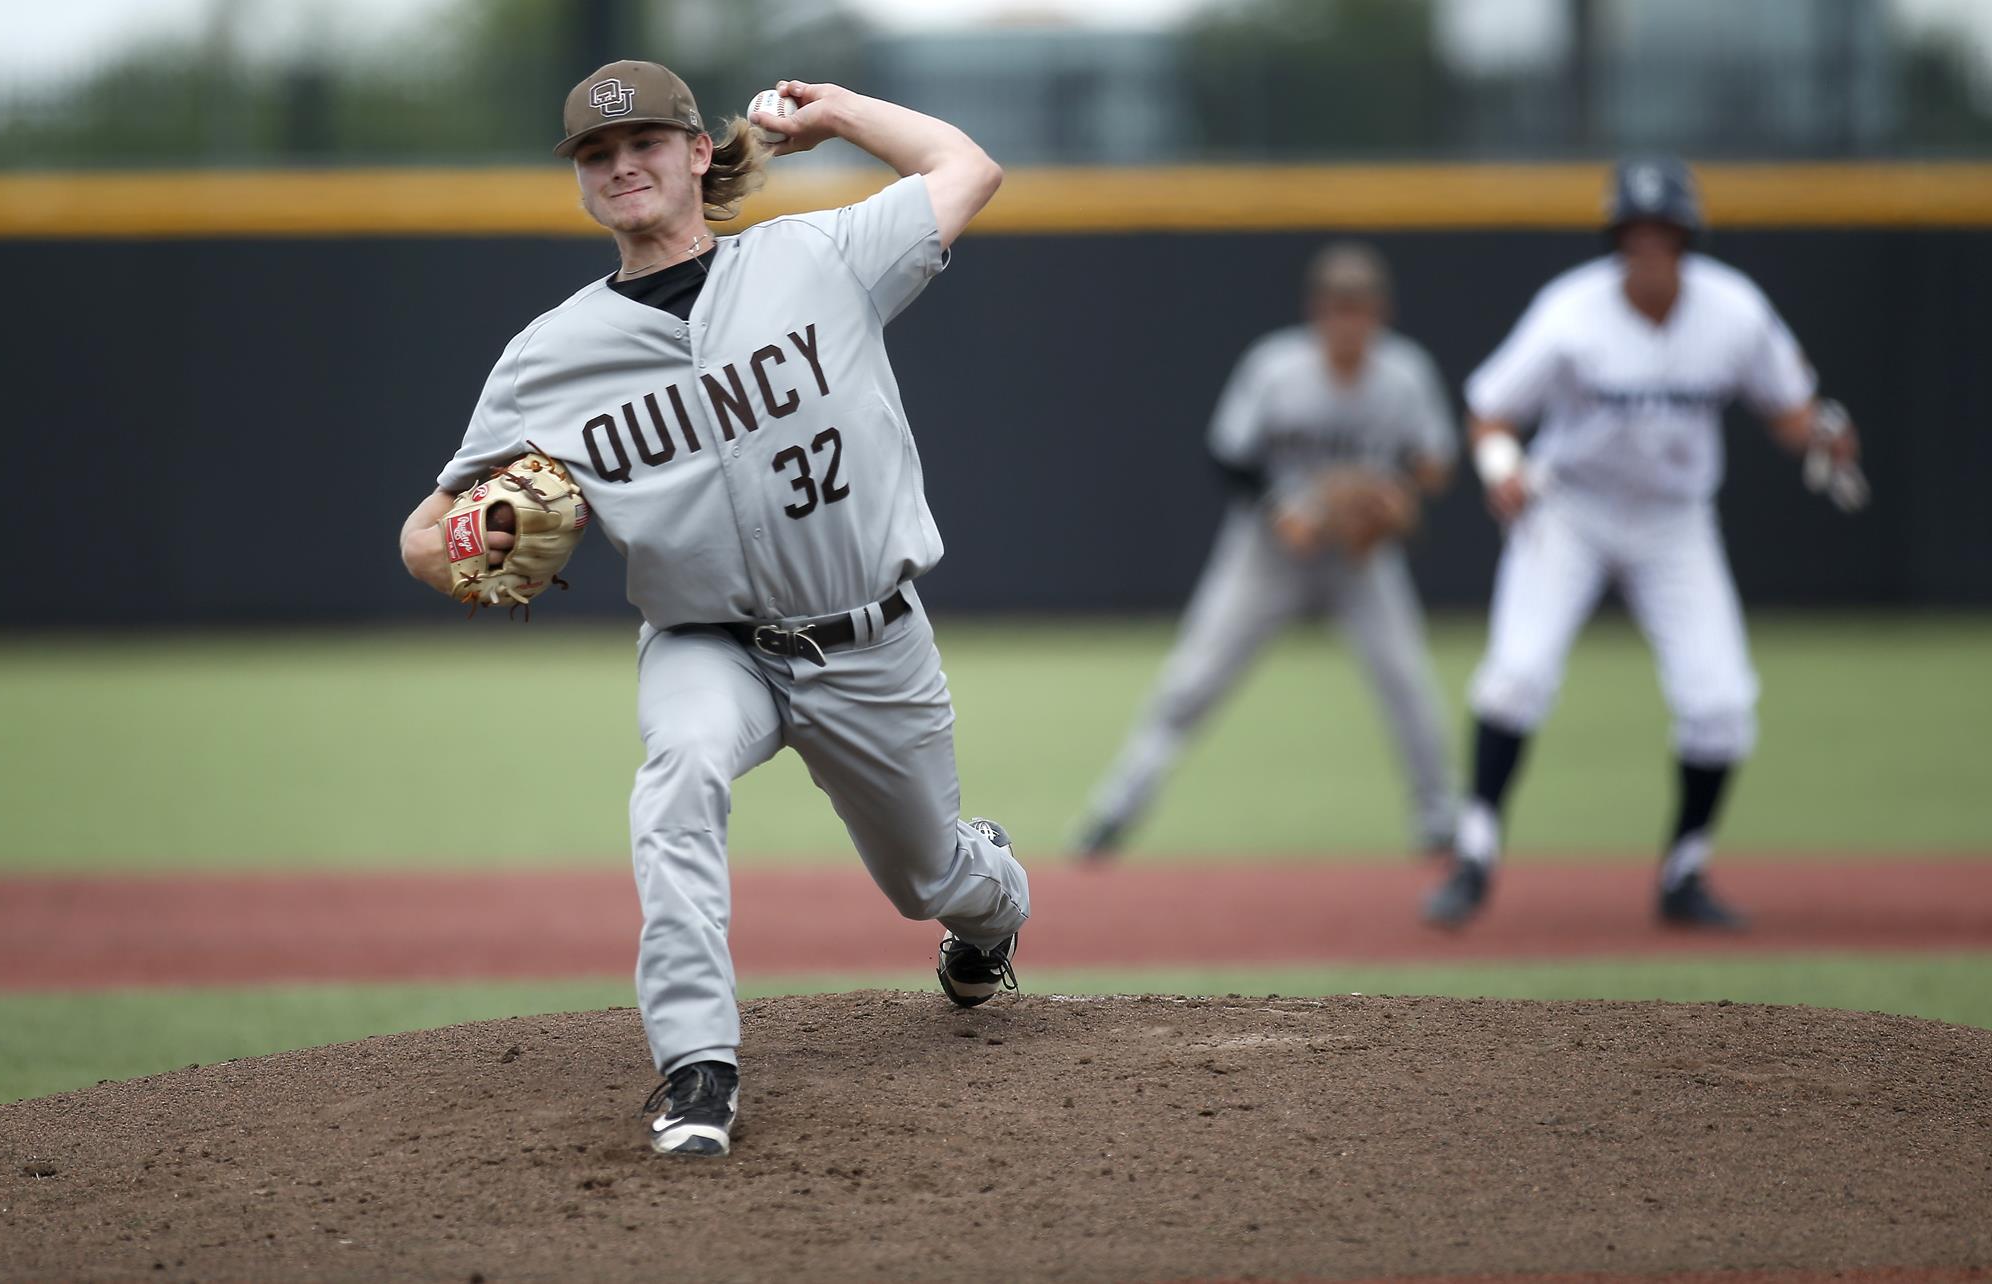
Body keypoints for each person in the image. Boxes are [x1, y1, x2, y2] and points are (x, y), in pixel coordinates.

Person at [397, 62, 1031, 1158]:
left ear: (698, 153)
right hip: (705, 644)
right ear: (583, 183)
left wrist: (837, 115)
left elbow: (964, 167)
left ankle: (993, 900)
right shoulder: (548, 356)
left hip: (866, 637)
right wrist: (468, 546)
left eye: (642, 142)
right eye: (595, 154)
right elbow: (424, 531)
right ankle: (697, 1068)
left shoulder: (818, 255)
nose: (619, 165)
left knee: (930, 878)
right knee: (676, 778)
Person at [1423, 156, 1862, 930]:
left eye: (1665, 230)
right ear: (1616, 237)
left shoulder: (1734, 310)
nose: (1650, 245)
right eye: (1636, 230)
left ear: (1689, 236)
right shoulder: (1570, 311)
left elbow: (1788, 410)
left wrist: (1823, 435)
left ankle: (1684, 871)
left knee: (1720, 703)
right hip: (1570, 511)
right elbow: (1488, 410)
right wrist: (1501, 466)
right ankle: (1475, 854)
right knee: (1516, 676)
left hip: (1674, 520)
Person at [1073, 243, 1462, 862]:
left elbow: (1434, 462)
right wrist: (1284, 508)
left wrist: (1399, 498)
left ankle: (1441, 821)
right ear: (1316, 311)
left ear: (1380, 313)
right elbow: (1228, 456)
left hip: (1359, 563)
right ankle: (1115, 811)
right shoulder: (1278, 367)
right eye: (1337, 309)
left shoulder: (1404, 375)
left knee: (1407, 681)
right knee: (1191, 682)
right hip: (1268, 553)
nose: (1348, 322)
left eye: (1359, 309)